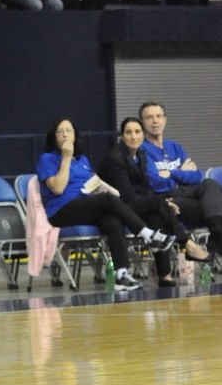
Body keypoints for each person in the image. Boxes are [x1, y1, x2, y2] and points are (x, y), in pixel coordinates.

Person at [37, 117, 175, 292]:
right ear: (53, 137)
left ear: (75, 135)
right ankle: (148, 235)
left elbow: (91, 183)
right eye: (60, 131)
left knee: (112, 220)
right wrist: (65, 158)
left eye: (69, 130)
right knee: (106, 200)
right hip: (61, 211)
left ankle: (122, 275)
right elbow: (57, 188)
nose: (65, 134)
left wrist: (105, 188)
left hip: (86, 205)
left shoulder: (82, 160)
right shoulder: (47, 159)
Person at [99, 117, 210, 287]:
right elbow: (127, 196)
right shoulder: (116, 158)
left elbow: (146, 188)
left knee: (158, 217)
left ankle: (164, 275)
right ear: (122, 136)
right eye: (128, 132)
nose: (133, 136)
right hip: (116, 208)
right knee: (159, 203)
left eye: (137, 132)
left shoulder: (141, 154)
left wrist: (160, 205)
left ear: (143, 135)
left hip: (133, 205)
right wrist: (158, 203)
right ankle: (186, 243)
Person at [139, 101, 222, 256]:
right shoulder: (142, 150)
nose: (155, 121)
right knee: (214, 206)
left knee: (209, 183)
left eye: (158, 116)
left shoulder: (175, 146)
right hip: (166, 199)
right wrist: (181, 173)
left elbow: (197, 176)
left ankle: (217, 234)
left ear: (165, 120)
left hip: (186, 191)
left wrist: (171, 173)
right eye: (149, 117)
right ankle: (218, 237)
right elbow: (155, 182)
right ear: (143, 123)